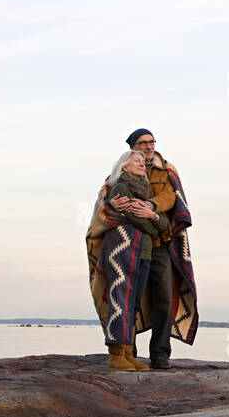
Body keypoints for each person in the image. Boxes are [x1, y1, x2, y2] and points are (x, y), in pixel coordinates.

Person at [85, 128, 200, 369]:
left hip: (161, 243)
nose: (148, 147)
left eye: (151, 142)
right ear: (132, 149)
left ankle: (160, 354)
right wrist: (109, 206)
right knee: (129, 296)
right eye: (141, 144)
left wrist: (151, 207)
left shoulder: (166, 170)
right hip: (130, 244)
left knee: (164, 297)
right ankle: (127, 351)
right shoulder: (118, 174)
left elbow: (172, 197)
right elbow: (104, 204)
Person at [94, 150, 167, 371]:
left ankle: (127, 352)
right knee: (120, 297)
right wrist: (153, 224)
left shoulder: (144, 194)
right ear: (124, 167)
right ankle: (115, 354)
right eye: (135, 161)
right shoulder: (121, 188)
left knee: (133, 302)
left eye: (143, 163)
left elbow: (162, 223)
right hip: (121, 249)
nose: (141, 165)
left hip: (141, 252)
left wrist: (152, 217)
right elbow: (137, 219)